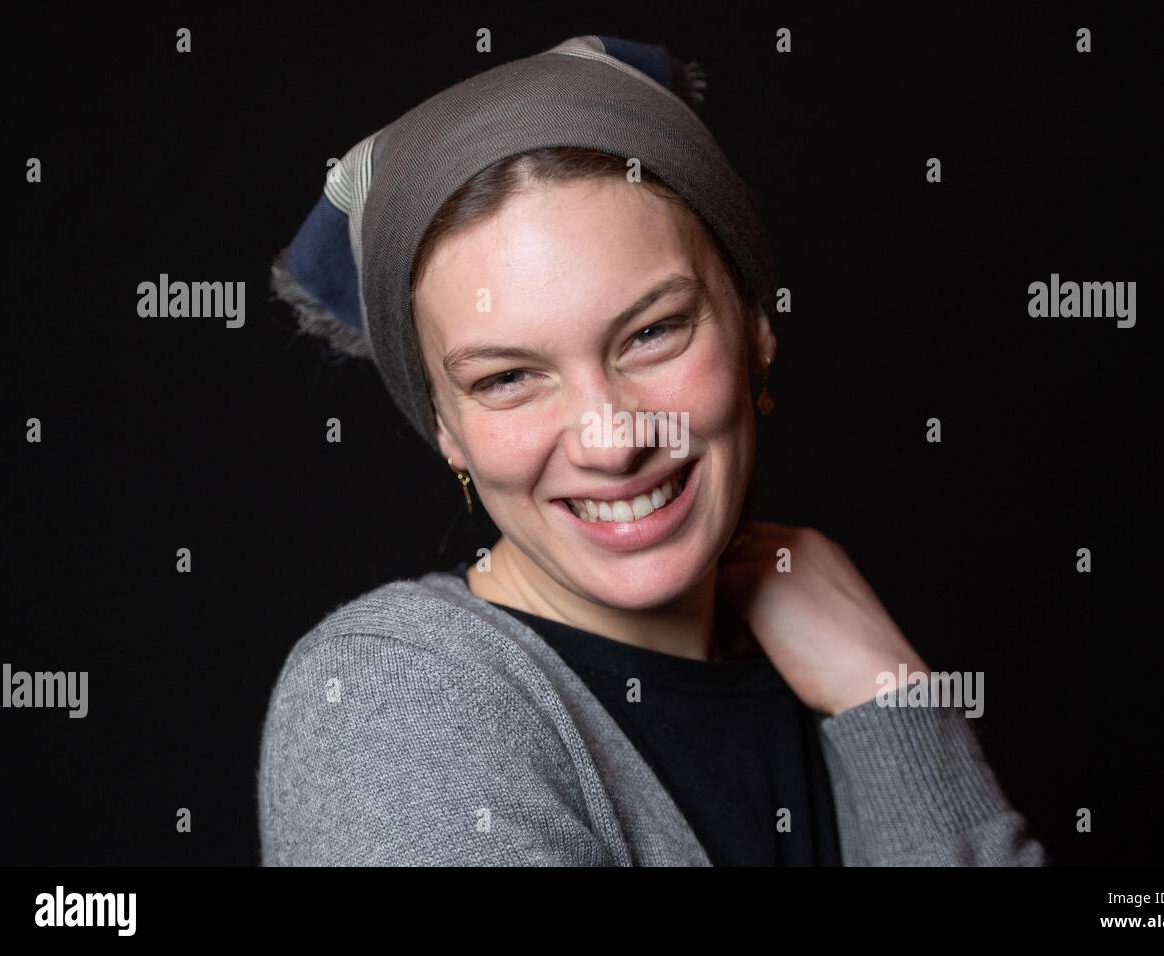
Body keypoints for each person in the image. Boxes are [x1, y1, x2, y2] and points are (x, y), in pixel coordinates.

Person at [258, 34, 1047, 866]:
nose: (611, 438)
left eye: (653, 332)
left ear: (754, 328)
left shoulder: (827, 680)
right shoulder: (393, 699)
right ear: (445, 428)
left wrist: (887, 700)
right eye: (507, 378)